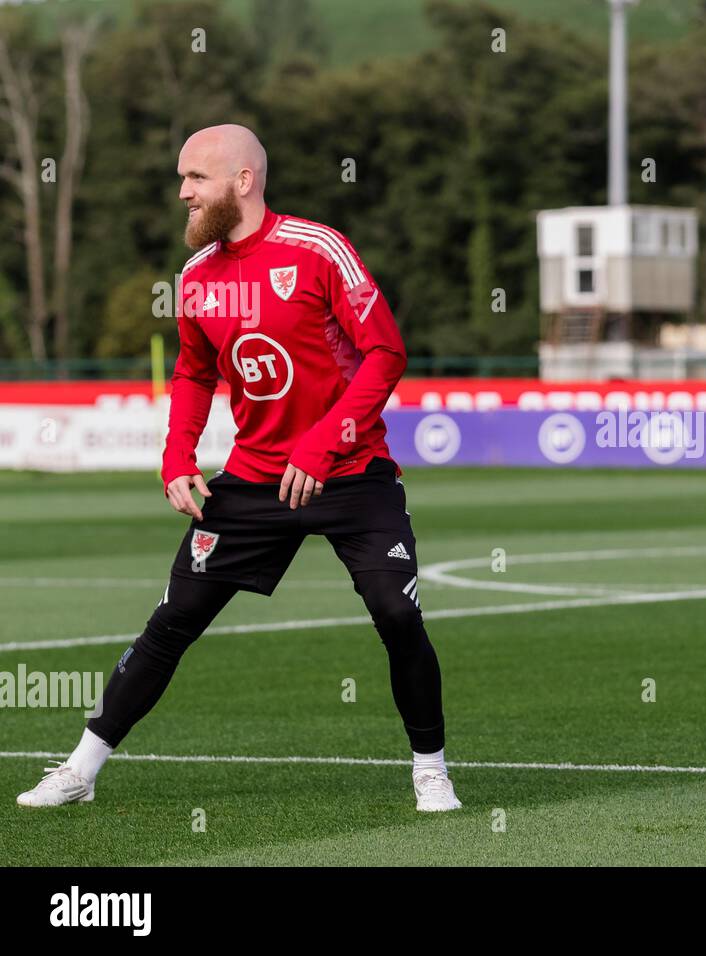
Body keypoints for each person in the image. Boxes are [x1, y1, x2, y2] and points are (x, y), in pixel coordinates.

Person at [17, 124, 461, 813]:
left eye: (195, 178)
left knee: (395, 615)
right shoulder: (195, 277)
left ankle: (430, 771)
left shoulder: (318, 250)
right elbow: (194, 371)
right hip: (254, 478)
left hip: (351, 471)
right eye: (181, 180)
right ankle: (80, 769)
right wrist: (176, 460)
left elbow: (386, 353)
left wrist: (322, 445)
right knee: (172, 622)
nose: (183, 193)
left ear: (242, 181)